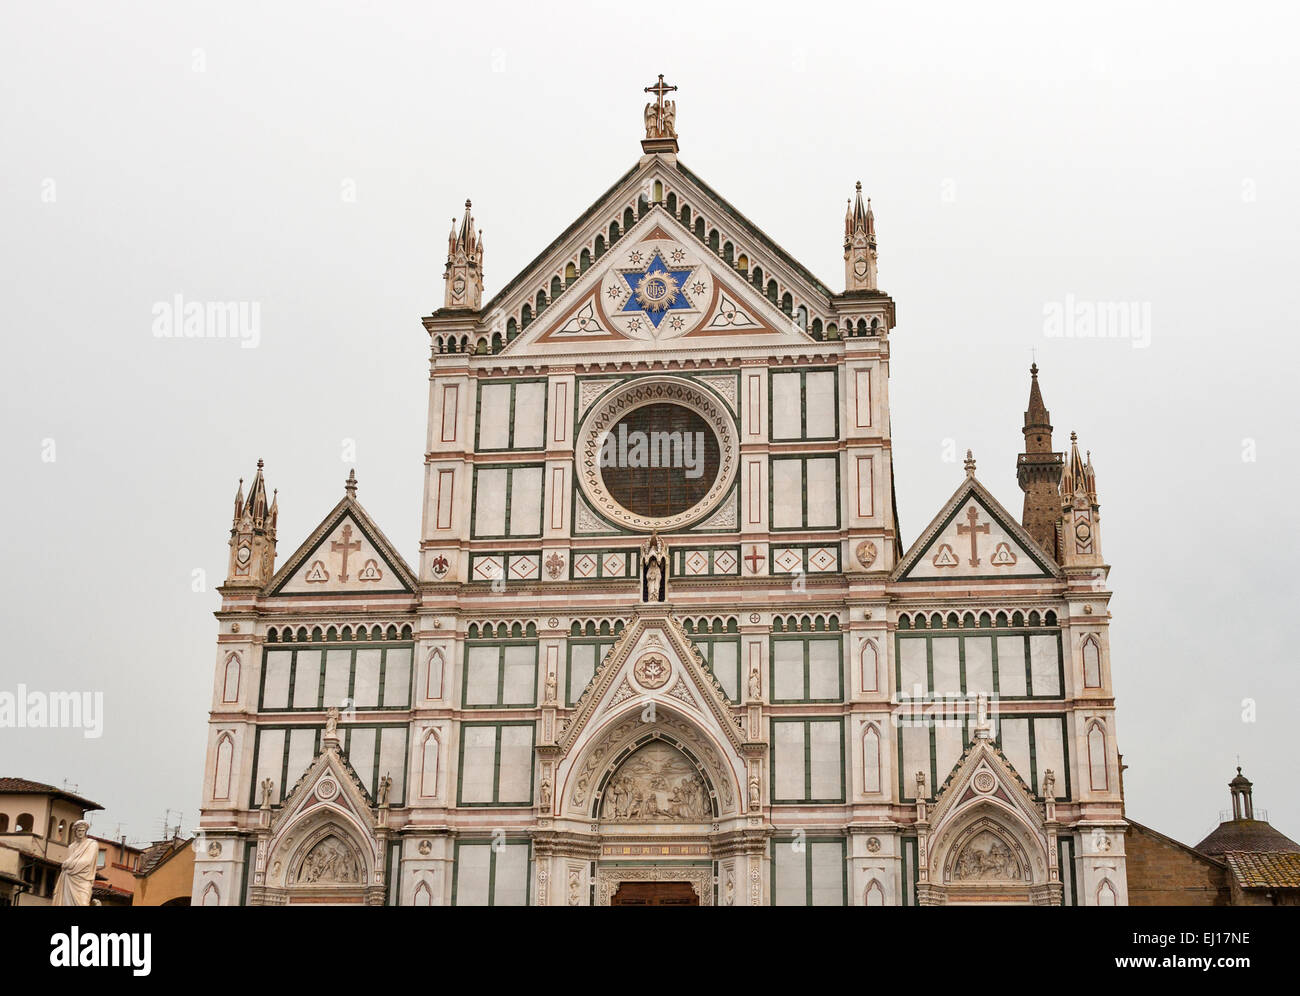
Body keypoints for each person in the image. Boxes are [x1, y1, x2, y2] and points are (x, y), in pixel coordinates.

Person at [53, 820, 97, 906]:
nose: (80, 832)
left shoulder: (92, 844)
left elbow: (87, 861)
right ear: (75, 832)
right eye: (78, 830)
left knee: (83, 903)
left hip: (83, 879)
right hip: (69, 879)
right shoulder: (71, 846)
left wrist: (68, 863)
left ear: (85, 831)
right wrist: (68, 864)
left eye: (82, 830)